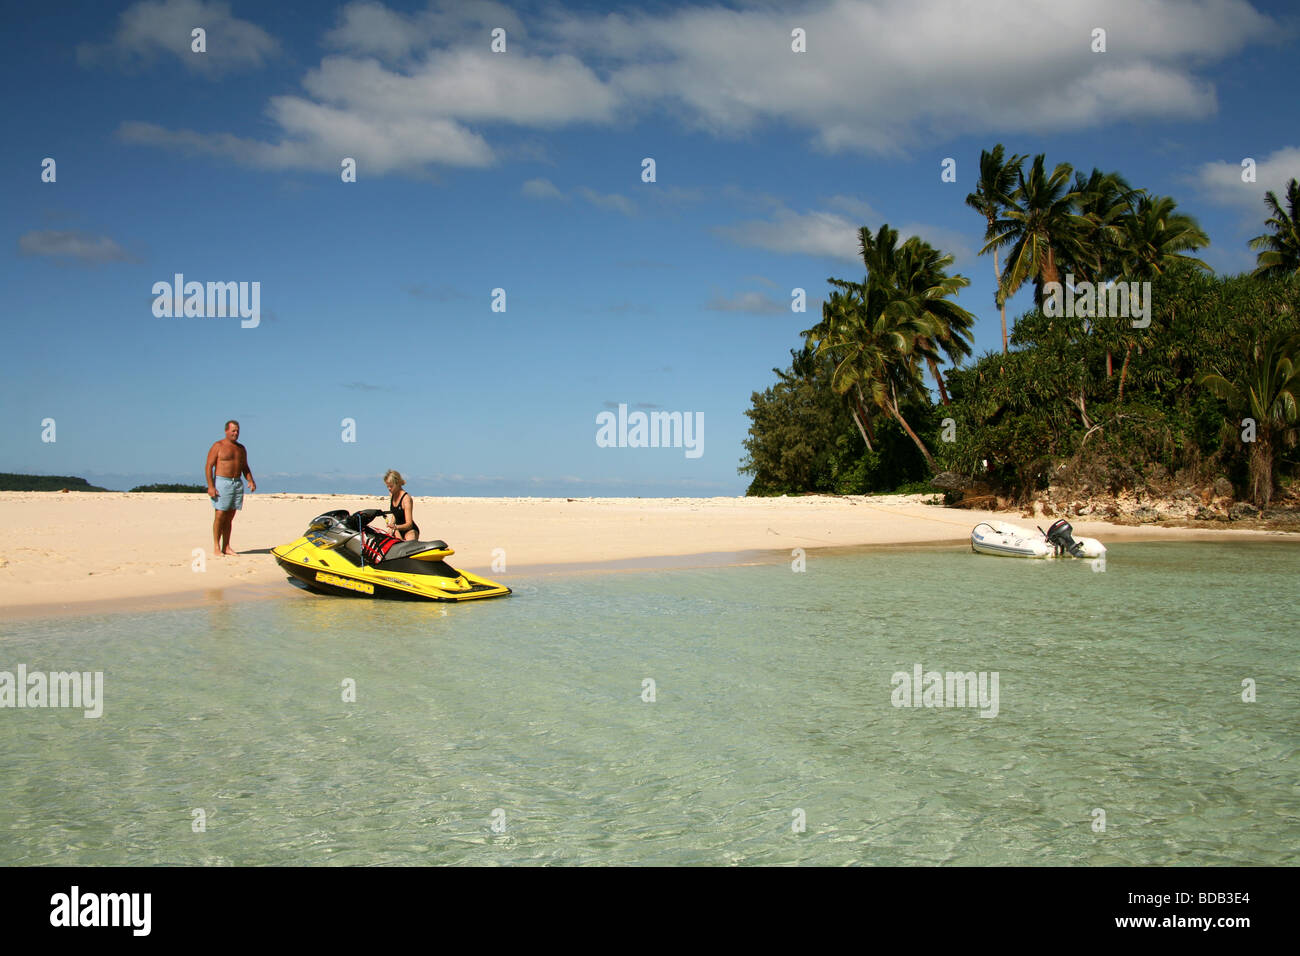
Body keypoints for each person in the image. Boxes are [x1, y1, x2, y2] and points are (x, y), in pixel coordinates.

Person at [205, 420, 255, 556]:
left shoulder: (241, 448)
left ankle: (226, 546)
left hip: (237, 483)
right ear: (226, 431)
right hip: (222, 482)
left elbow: (245, 466)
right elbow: (209, 466)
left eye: (237, 431)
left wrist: (250, 480)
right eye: (233, 430)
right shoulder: (218, 446)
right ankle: (216, 546)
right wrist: (210, 486)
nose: (236, 433)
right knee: (220, 514)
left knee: (230, 516)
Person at [383, 470, 420, 541]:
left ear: (397, 484)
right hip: (397, 529)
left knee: (408, 546)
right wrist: (391, 527)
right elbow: (395, 513)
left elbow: (409, 524)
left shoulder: (406, 498)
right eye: (387, 486)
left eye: (391, 486)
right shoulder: (392, 495)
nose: (389, 489)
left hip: (409, 530)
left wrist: (395, 527)